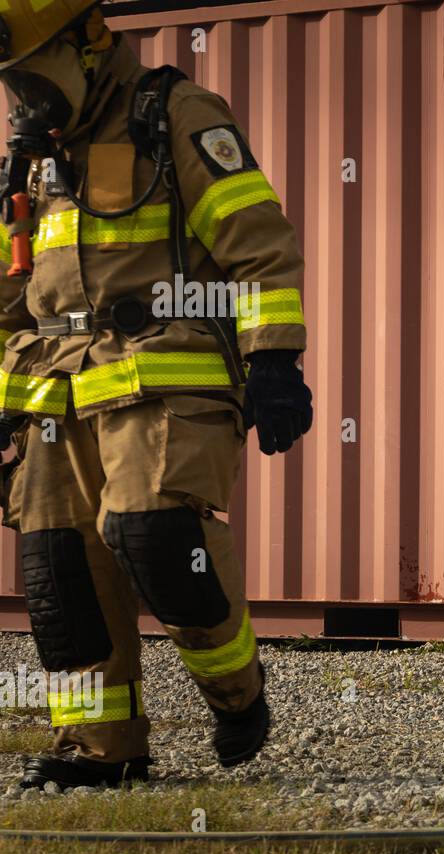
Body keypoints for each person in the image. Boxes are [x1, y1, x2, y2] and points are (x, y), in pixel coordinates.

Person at [0, 0, 312, 788]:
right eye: (13, 84)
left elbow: (261, 247)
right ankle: (103, 753)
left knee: (154, 539)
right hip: (56, 397)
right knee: (57, 572)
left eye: (34, 77)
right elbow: (9, 298)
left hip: (167, 377)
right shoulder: (33, 164)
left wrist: (274, 360)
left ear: (89, 42)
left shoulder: (173, 113)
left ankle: (236, 695)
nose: (23, 100)